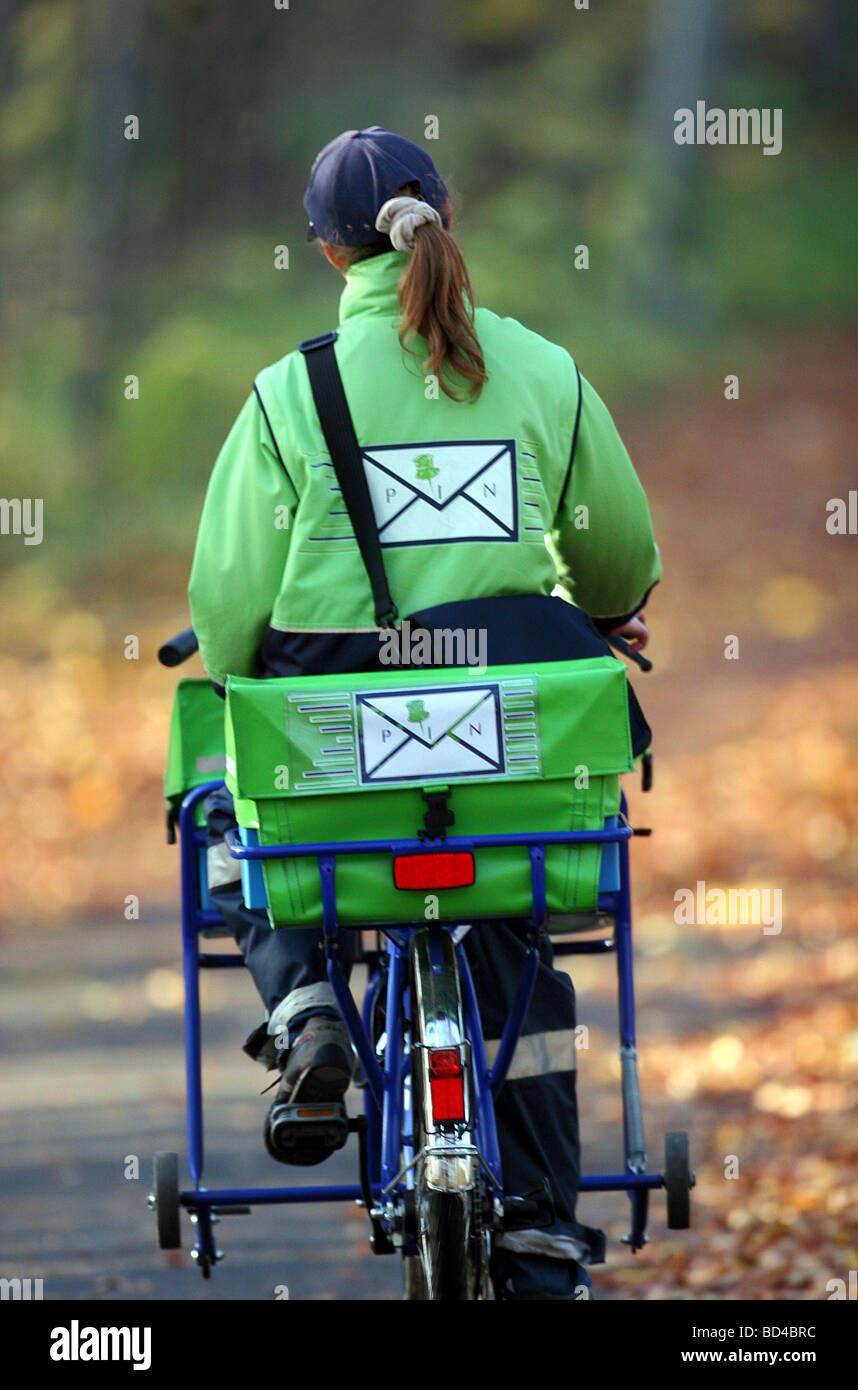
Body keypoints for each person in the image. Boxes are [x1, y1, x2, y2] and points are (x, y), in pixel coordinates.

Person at [188, 126, 661, 1300]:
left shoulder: (287, 392)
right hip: (503, 743)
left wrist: (237, 672)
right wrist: (599, 612)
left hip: (333, 750)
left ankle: (305, 1008)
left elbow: (230, 598)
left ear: (322, 249)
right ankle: (544, 1229)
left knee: (226, 797)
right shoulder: (540, 368)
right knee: (523, 967)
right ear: (443, 214)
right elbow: (617, 552)